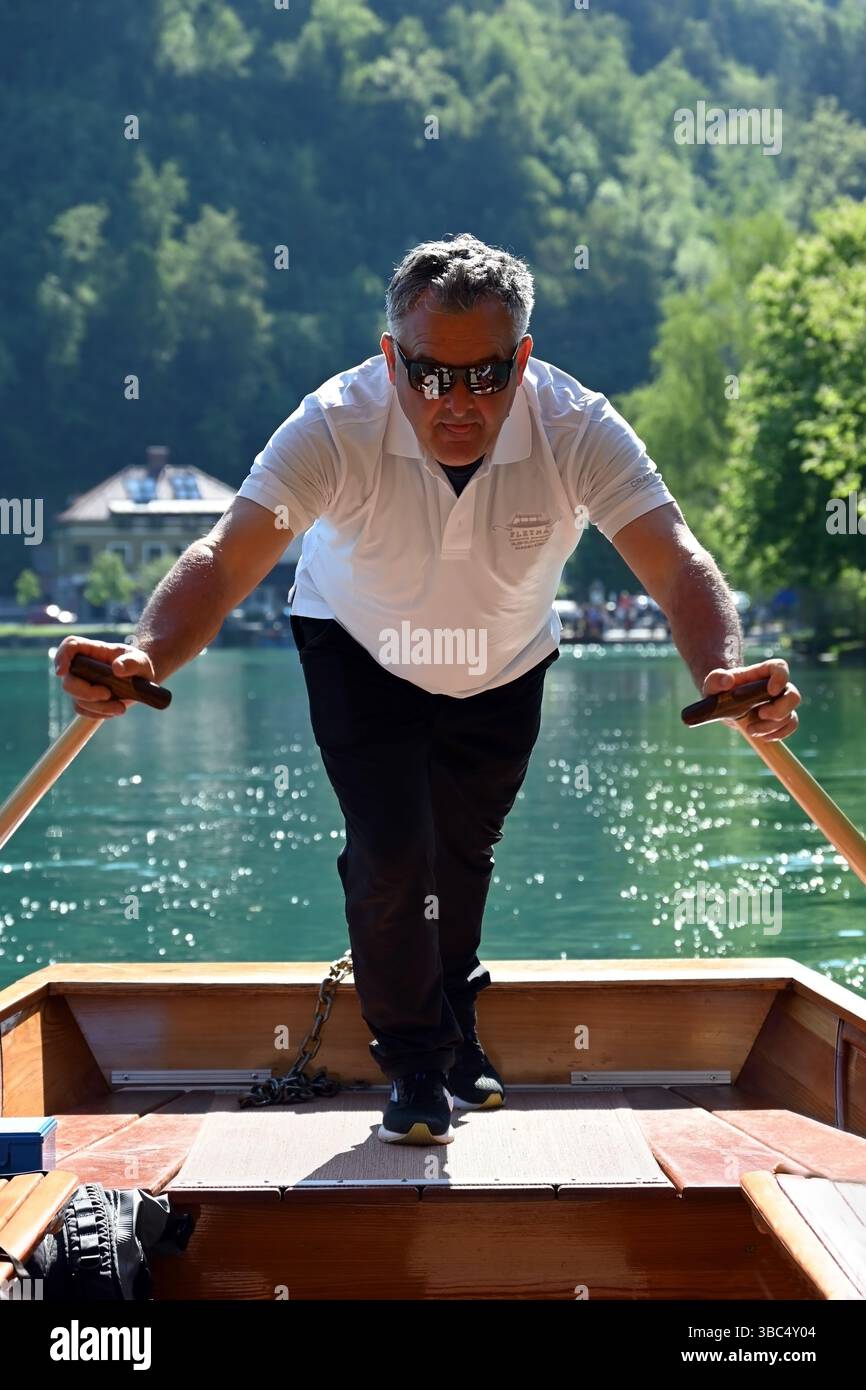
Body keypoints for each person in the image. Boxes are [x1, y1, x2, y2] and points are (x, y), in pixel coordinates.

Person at [55, 232, 801, 1147]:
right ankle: (413, 1063)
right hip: (356, 645)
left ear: (522, 360)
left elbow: (676, 561)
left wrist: (721, 670)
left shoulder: (578, 427)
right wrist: (145, 657)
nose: (457, 401)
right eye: (429, 375)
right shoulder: (334, 423)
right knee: (393, 851)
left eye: (485, 375)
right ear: (390, 359)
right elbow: (224, 558)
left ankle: (455, 1021)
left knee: (462, 855)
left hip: (506, 662)